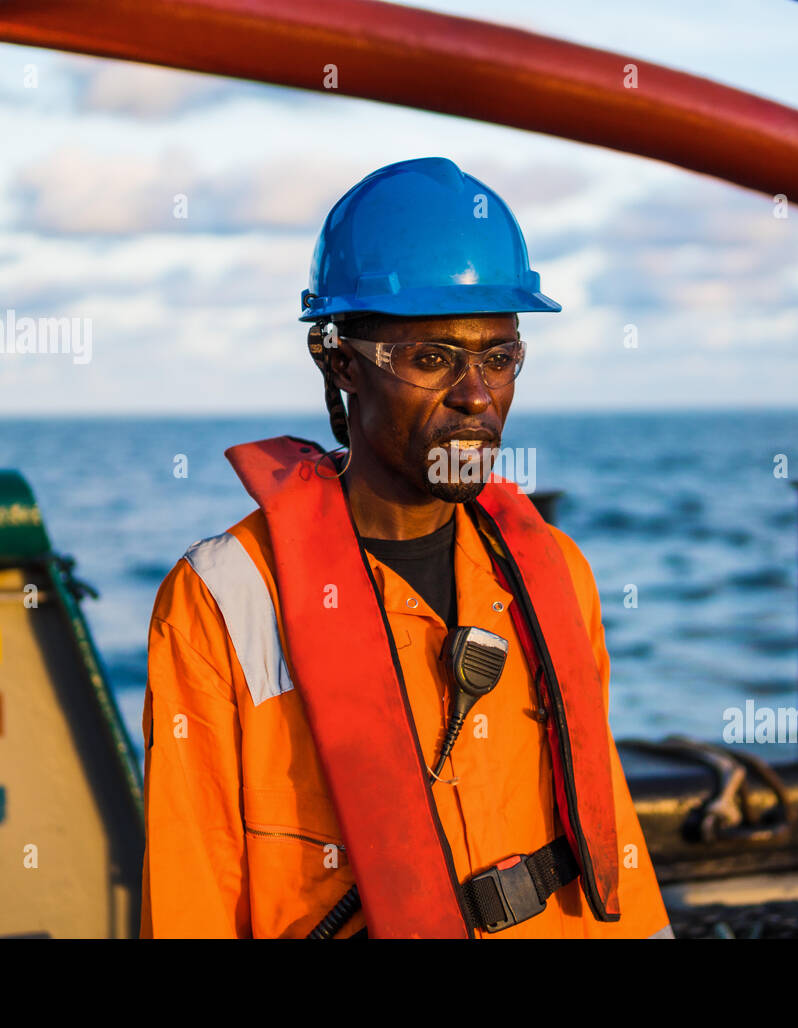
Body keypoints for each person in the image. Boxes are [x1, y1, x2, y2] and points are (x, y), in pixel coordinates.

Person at [140, 156, 674, 939]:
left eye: (498, 357)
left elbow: (613, 842)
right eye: (432, 358)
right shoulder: (225, 600)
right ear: (340, 363)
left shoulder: (555, 572)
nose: (476, 395)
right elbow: (190, 896)